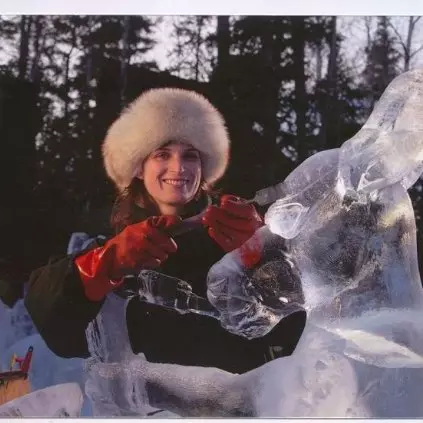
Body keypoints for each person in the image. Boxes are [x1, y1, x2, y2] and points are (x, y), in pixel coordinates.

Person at [25, 88, 306, 374]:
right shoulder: (115, 251)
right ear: (138, 168)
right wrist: (104, 264)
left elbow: (297, 333)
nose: (178, 167)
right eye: (162, 154)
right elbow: (59, 332)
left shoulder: (238, 236)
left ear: (204, 168)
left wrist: (267, 255)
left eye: (190, 156)